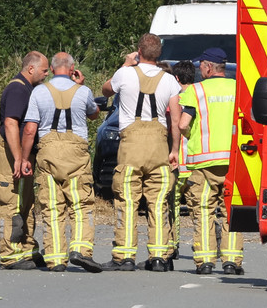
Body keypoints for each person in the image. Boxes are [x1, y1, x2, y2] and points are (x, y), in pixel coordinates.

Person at [101, 33, 182, 271]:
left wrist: (125, 64)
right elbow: (175, 119)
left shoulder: (124, 74)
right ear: (159, 55)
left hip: (131, 147)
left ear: (138, 50)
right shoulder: (169, 80)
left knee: (126, 200)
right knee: (158, 203)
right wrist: (174, 149)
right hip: (158, 146)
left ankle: (125, 256)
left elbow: (106, 91)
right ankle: (158, 257)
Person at [19, 52, 102, 273]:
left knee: (52, 207)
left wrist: (25, 158)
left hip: (48, 151)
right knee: (81, 204)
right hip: (76, 154)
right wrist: (81, 85)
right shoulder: (83, 91)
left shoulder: (39, 91)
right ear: (73, 68)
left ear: (53, 69)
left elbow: (29, 129)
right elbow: (94, 114)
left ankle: (56, 259)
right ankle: (81, 251)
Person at [179, 47, 244, 275]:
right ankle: (232, 261)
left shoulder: (195, 91)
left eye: (200, 66)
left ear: (207, 67)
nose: (199, 70)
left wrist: (190, 138)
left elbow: (182, 124)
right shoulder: (239, 87)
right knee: (230, 212)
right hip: (234, 161)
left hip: (204, 163)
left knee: (204, 210)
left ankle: (205, 261)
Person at [0, 51, 48, 269]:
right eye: (44, 70)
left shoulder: (30, 88)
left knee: (25, 200)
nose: (47, 74)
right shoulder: (18, 88)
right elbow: (11, 124)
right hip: (8, 149)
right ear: (31, 69)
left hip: (21, 151)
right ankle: (10, 254)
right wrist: (18, 158)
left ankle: (27, 248)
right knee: (10, 200)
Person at [166, 59, 198, 261]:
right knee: (200, 208)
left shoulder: (174, 99)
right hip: (197, 161)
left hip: (178, 162)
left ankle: (173, 244)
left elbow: (173, 126)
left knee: (173, 205)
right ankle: (206, 243)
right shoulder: (199, 96)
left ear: (176, 78)